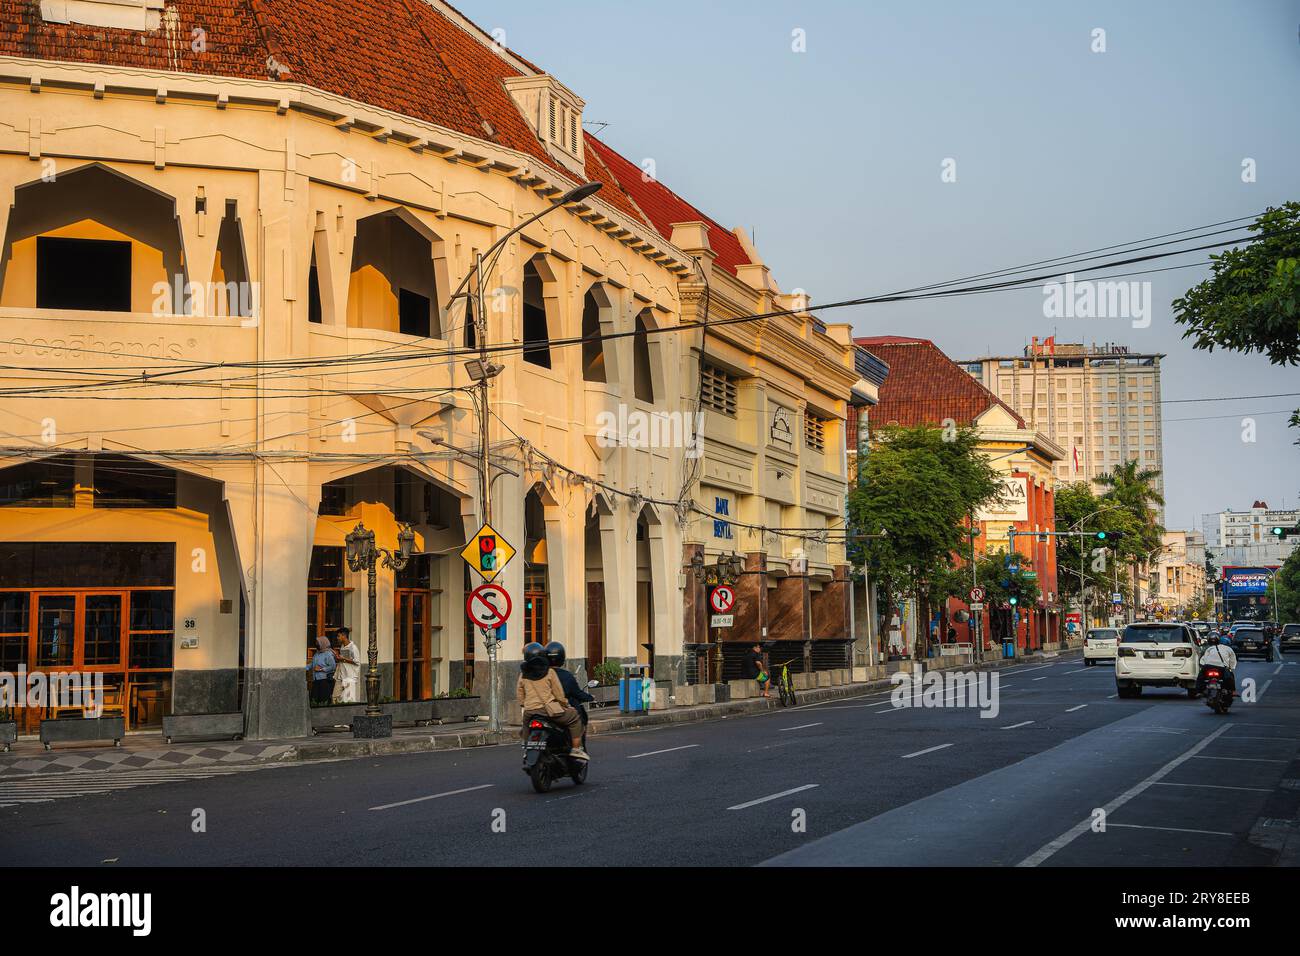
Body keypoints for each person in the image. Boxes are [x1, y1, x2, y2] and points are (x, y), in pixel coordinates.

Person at [517, 642, 588, 760]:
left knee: (525, 726)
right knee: (575, 718)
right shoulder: (549, 672)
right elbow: (558, 693)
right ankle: (576, 749)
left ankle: (526, 748)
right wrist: (565, 704)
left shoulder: (523, 674)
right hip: (548, 710)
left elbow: (520, 693)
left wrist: (524, 704)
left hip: (530, 711)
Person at [543, 641, 593, 727]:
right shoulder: (566, 675)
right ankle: (576, 740)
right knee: (576, 723)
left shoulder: (540, 675)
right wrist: (589, 697)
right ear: (562, 658)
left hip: (541, 711)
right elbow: (575, 693)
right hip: (560, 710)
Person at [1197, 634, 1238, 699]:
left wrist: (1203, 666)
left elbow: (1203, 659)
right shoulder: (1229, 649)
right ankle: (1233, 691)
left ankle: (1199, 691)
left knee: (1200, 677)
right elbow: (1233, 661)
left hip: (1208, 666)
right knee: (1230, 677)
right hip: (1221, 668)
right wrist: (1231, 668)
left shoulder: (1210, 648)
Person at [332, 626, 361, 703]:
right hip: (340, 676)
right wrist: (338, 658)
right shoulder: (342, 647)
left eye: (338, 636)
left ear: (344, 636)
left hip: (349, 677)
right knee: (335, 698)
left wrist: (343, 659)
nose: (337, 638)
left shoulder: (353, 648)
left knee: (348, 700)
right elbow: (343, 660)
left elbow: (356, 662)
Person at [307, 635, 336, 705]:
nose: (316, 644)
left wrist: (321, 669)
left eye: (318, 642)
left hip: (325, 680)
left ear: (323, 643)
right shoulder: (317, 653)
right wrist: (303, 668)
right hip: (316, 679)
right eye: (316, 642)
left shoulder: (328, 654)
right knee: (314, 699)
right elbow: (312, 664)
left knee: (323, 700)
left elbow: (333, 666)